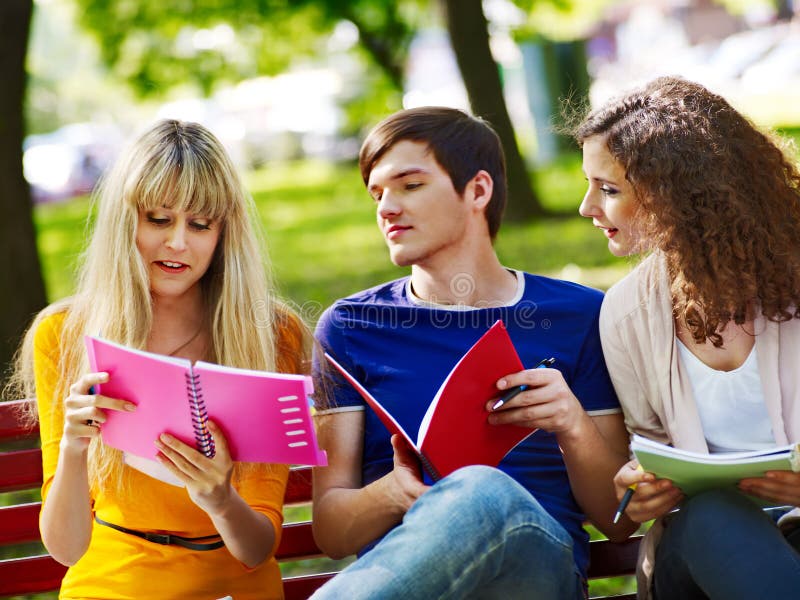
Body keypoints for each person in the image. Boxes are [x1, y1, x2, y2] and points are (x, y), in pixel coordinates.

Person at [310, 106, 637, 599]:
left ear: (478, 191)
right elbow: (331, 532)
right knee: (473, 491)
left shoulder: (579, 316)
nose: (386, 207)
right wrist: (395, 492)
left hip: (535, 573)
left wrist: (570, 420)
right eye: (377, 193)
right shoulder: (350, 328)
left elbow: (618, 521)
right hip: (414, 583)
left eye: (410, 185)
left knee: (484, 491)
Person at [6, 119, 308, 599]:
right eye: (159, 219)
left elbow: (256, 550)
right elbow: (65, 549)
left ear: (224, 234)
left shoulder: (271, 336)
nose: (178, 243)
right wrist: (74, 449)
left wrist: (220, 499)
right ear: (126, 222)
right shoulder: (63, 334)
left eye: (200, 225)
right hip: (113, 582)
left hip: (230, 583)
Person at [575, 75, 800, 599]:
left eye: (608, 190)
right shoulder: (627, 312)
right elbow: (649, 455)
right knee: (713, 513)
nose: (587, 208)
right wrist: (642, 492)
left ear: (677, 195)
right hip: (697, 555)